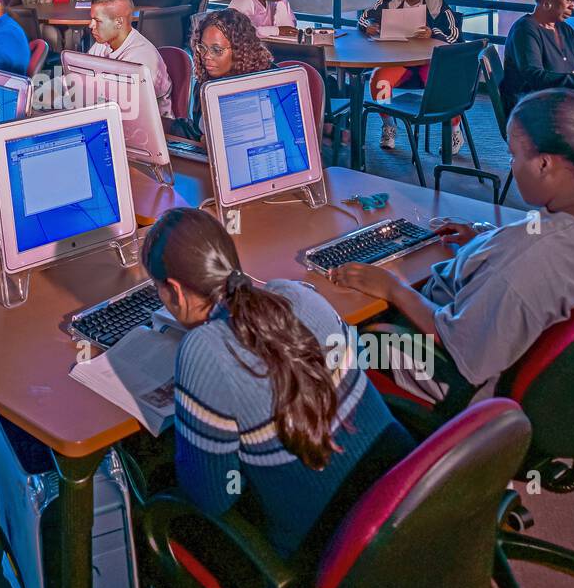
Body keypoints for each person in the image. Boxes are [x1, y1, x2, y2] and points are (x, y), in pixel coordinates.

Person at [331, 88, 574, 412]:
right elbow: (549, 251)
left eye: (514, 156)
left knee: (327, 335)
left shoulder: (527, 260)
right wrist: (485, 239)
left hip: (451, 372)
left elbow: (457, 343)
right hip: (536, 368)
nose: (510, 166)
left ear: (544, 164)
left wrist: (393, 287)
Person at [143, 207, 413, 561]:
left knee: (150, 495)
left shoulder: (204, 352)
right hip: (407, 504)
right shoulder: (295, 295)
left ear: (175, 291)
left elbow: (215, 498)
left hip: (332, 553)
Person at [357, 0, 463, 154]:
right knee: (379, 81)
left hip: (428, 63)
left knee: (444, 84)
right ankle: (388, 123)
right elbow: (364, 17)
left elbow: (454, 34)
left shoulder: (435, 3)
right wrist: (369, 27)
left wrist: (433, 32)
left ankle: (454, 129)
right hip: (400, 63)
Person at [168, 8, 275, 142]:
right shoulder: (206, 81)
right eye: (202, 48)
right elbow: (199, 130)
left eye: (216, 50)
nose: (206, 56)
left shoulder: (267, 85)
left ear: (239, 50)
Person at [87, 0, 174, 117]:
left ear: (118, 22)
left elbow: (127, 108)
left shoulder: (142, 58)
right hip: (110, 118)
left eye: (98, 21)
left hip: (146, 128)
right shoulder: (103, 44)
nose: (90, 25)